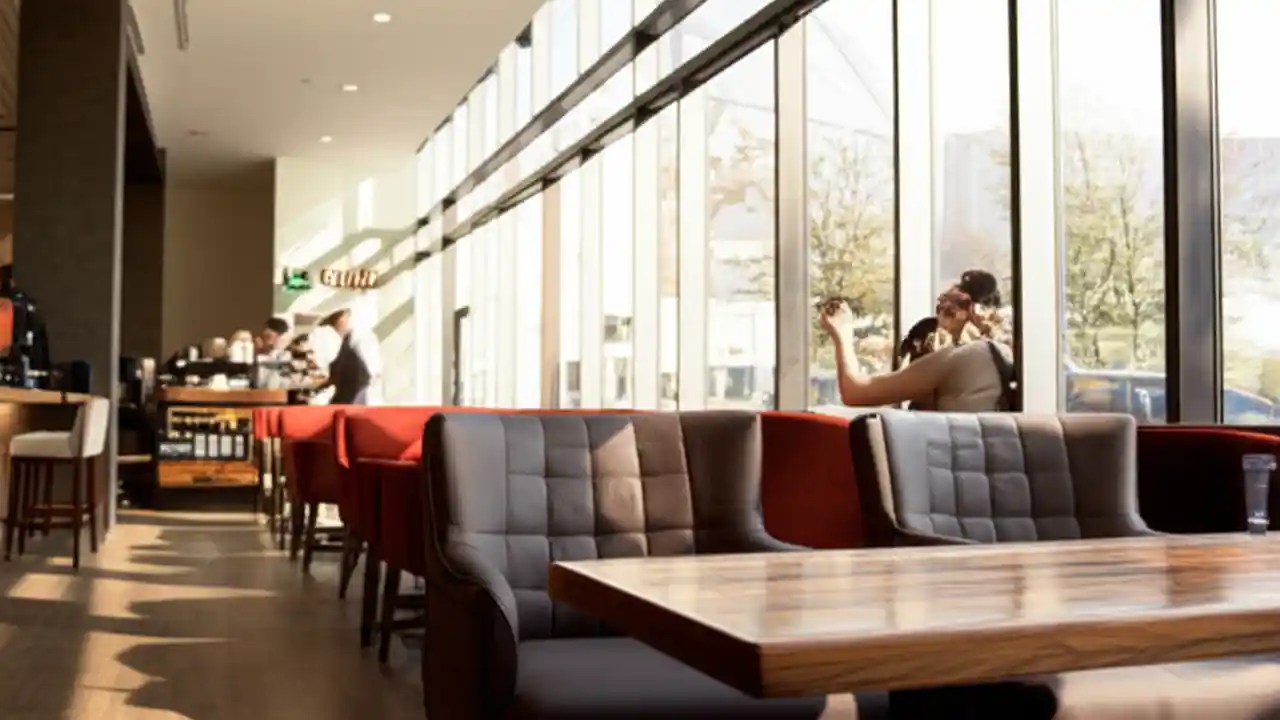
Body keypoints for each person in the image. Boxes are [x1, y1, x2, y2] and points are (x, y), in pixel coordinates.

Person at [820, 288, 1013, 412]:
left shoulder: (966, 357)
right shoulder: (1007, 361)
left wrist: (842, 333)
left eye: (948, 311)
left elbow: (855, 391)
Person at [317, 308, 381, 405]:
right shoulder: (340, 343)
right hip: (346, 396)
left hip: (358, 395)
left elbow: (370, 372)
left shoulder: (361, 339)